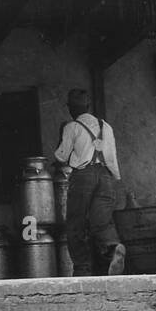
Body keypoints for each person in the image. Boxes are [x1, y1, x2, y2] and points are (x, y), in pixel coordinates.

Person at [53, 89, 124, 276]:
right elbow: (112, 158)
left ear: (71, 108)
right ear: (88, 106)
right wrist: (114, 178)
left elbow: (61, 155)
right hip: (106, 177)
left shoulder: (72, 126)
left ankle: (82, 268)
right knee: (101, 221)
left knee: (76, 223)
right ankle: (113, 248)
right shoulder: (106, 126)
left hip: (83, 176)